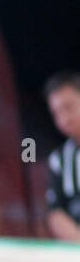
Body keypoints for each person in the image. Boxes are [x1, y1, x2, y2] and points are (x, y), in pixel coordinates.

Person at [44, 70, 80, 242]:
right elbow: (56, 213)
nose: (64, 118)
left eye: (69, 107)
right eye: (57, 112)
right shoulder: (59, 159)